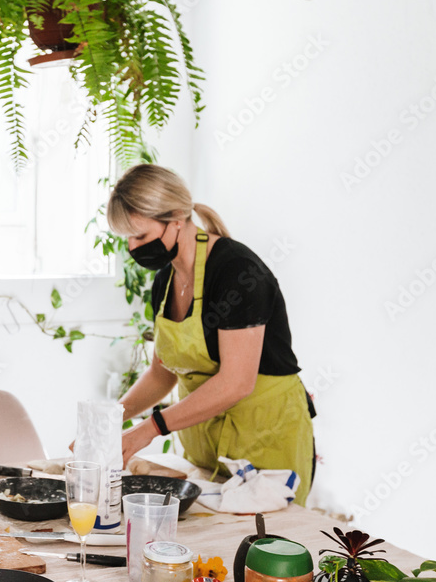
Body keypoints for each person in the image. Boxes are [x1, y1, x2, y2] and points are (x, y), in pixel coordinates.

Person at [108, 164, 316, 505]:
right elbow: (162, 374)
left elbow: (236, 382)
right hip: (207, 451)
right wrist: (109, 419)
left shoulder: (238, 272)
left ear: (177, 218)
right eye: (127, 238)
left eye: (140, 236)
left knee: (264, 538)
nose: (132, 247)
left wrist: (149, 429)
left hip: (267, 443)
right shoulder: (164, 282)